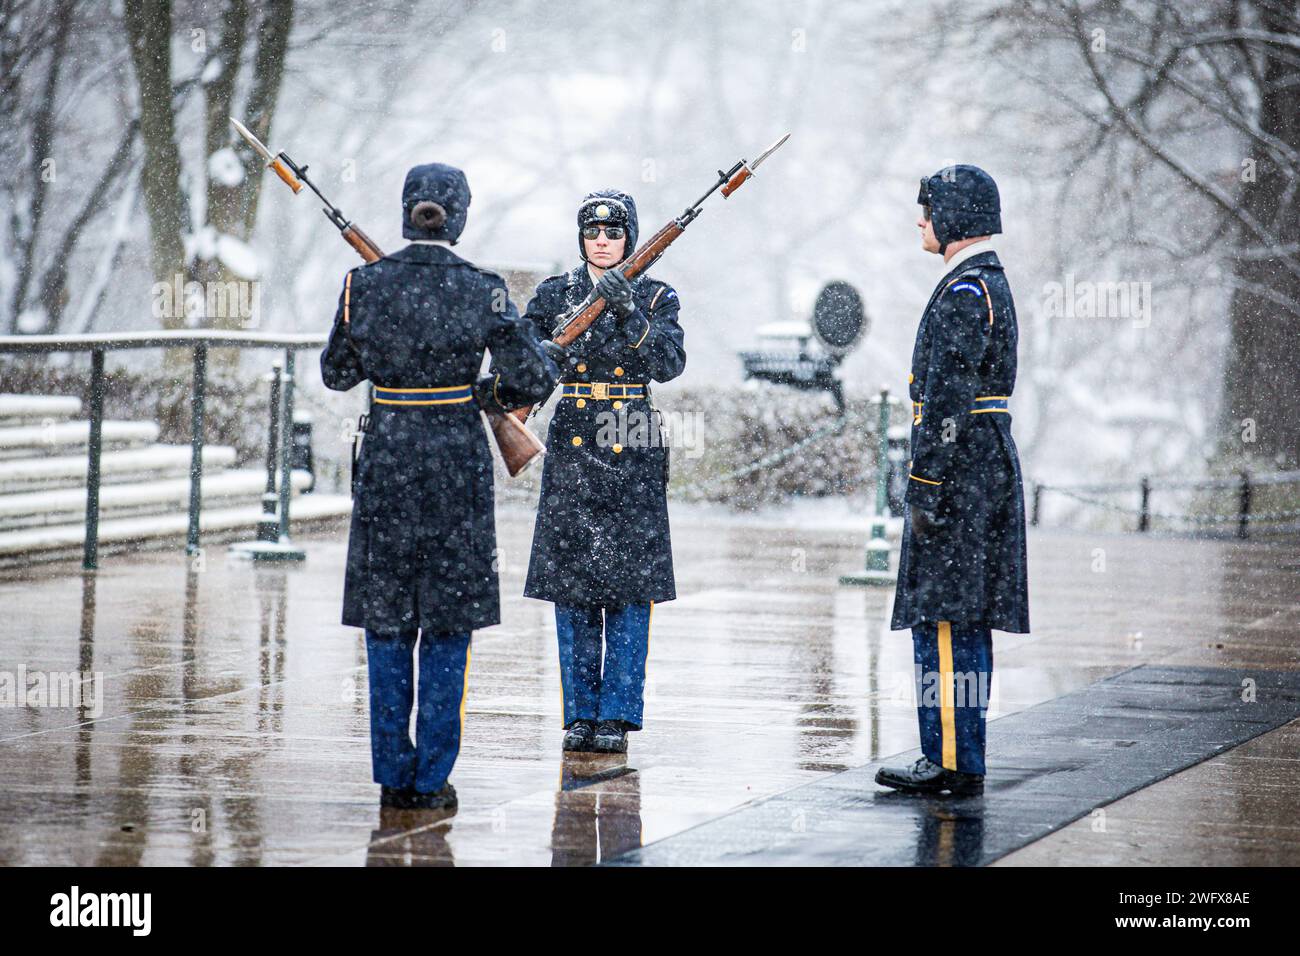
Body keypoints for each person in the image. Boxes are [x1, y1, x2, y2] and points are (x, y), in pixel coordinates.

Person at [321, 162, 558, 810]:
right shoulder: (483, 289)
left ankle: (393, 775)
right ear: (459, 215)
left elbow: (338, 373)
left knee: (388, 622)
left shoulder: (363, 283)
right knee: (449, 624)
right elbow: (535, 375)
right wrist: (485, 390)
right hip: (454, 464)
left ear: (406, 210)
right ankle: (432, 778)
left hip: (389, 461)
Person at [876, 164, 1030, 796]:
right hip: (979, 463)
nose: (920, 219)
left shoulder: (967, 290)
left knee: (943, 619)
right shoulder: (979, 283)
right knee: (960, 617)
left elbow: (946, 401)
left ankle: (949, 759)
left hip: (961, 469)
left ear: (955, 217)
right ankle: (957, 752)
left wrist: (926, 483)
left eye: (928, 208)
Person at [522, 189, 686, 755]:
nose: (601, 241)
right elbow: (521, 367)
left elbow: (668, 362)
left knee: (629, 585)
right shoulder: (555, 294)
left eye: (613, 232)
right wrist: (548, 357)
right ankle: (579, 713)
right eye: (592, 232)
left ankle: (616, 712)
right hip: (573, 432)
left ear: (630, 238)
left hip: (631, 435)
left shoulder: (657, 294)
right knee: (572, 584)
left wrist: (629, 312)